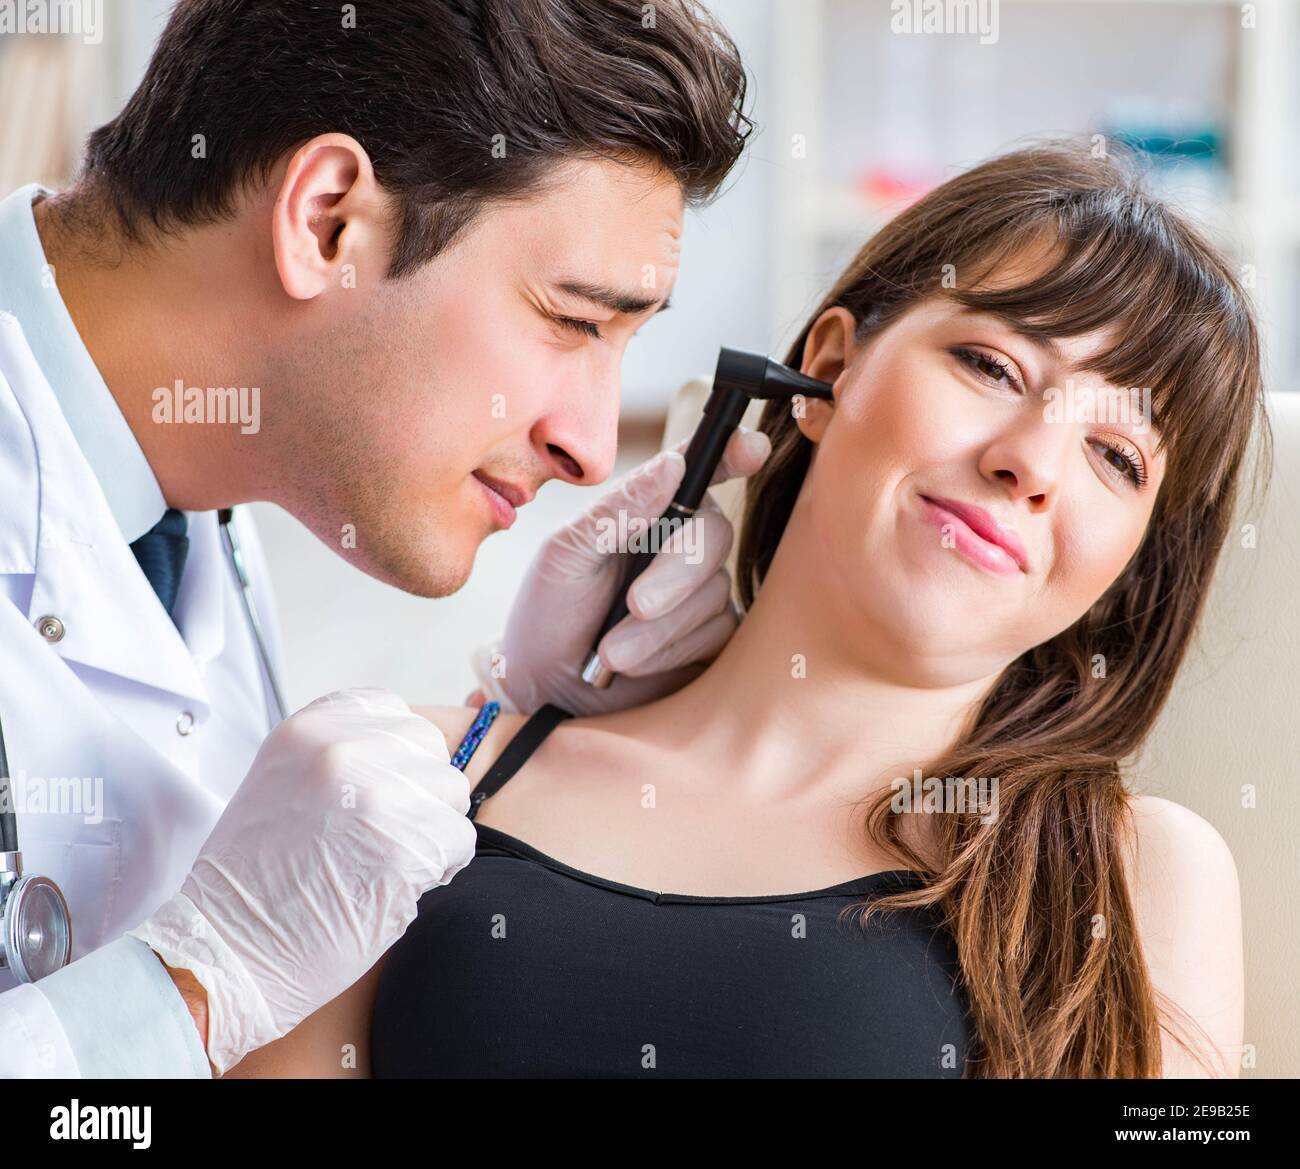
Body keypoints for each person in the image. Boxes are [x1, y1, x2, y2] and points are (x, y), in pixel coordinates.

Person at [226, 140, 1269, 1079]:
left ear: (1132, 567)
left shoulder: (1135, 879)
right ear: (829, 364)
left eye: (1115, 455)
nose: (1028, 462)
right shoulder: (423, 773)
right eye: (991, 366)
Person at [0, 0, 766, 1077]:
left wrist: (516, 711)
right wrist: (192, 982)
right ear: (328, 222)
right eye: (574, 321)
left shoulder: (187, 505)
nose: (592, 445)